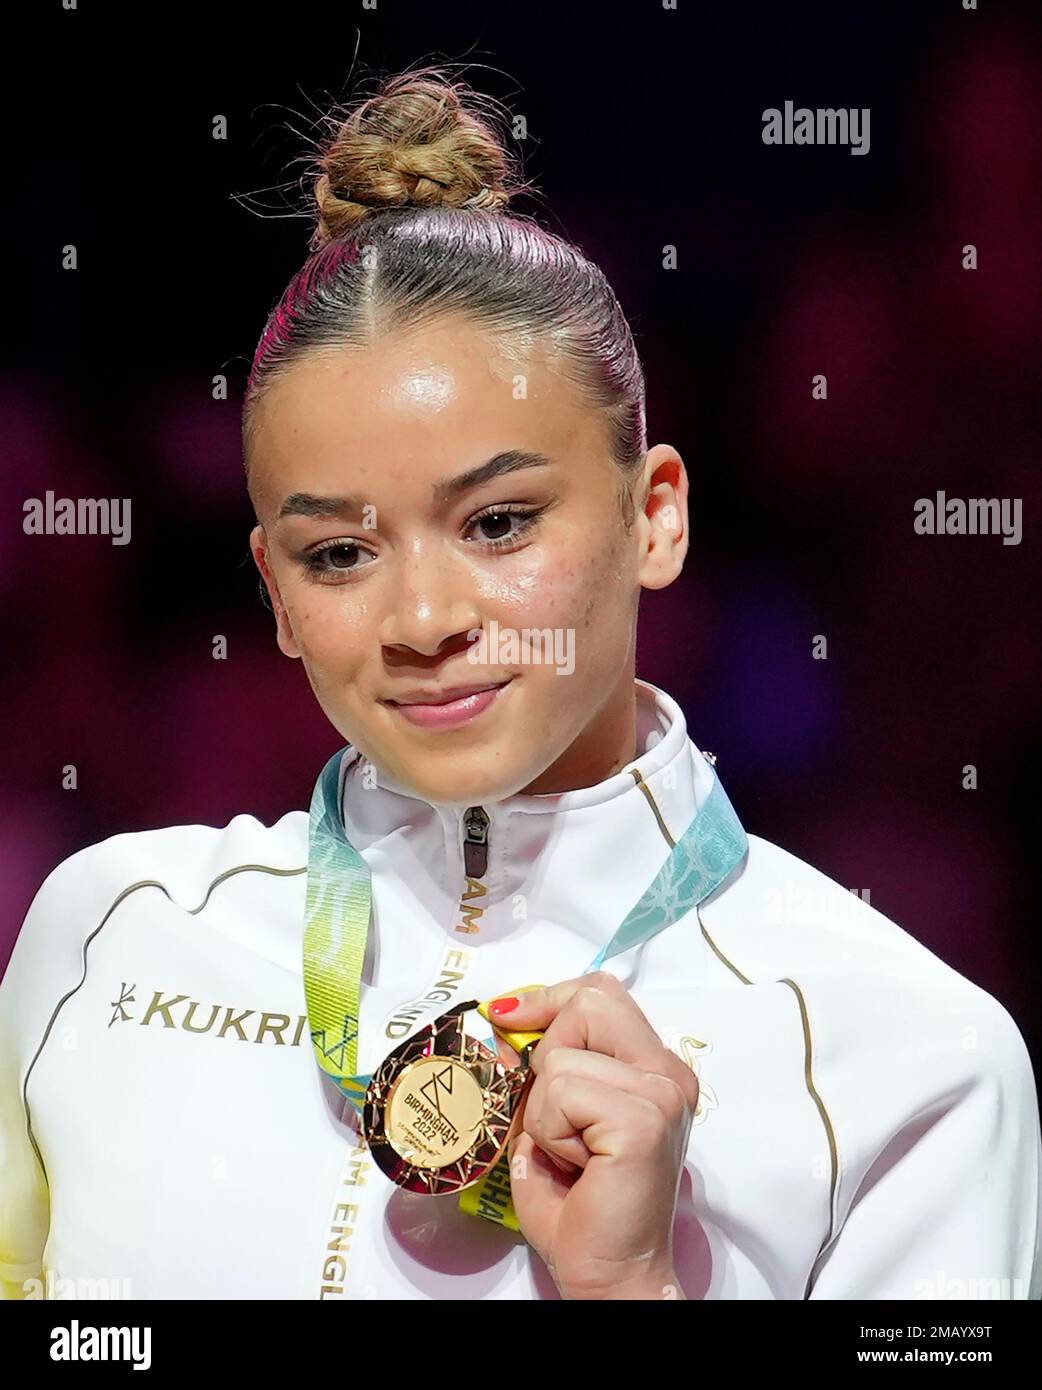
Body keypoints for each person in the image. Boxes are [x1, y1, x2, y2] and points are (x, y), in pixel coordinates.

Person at [2, 67, 1039, 1303]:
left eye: (496, 523)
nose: (425, 620)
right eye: (338, 552)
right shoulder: (110, 933)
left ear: (655, 516)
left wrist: (634, 1290)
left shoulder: (914, 1056)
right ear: (274, 593)